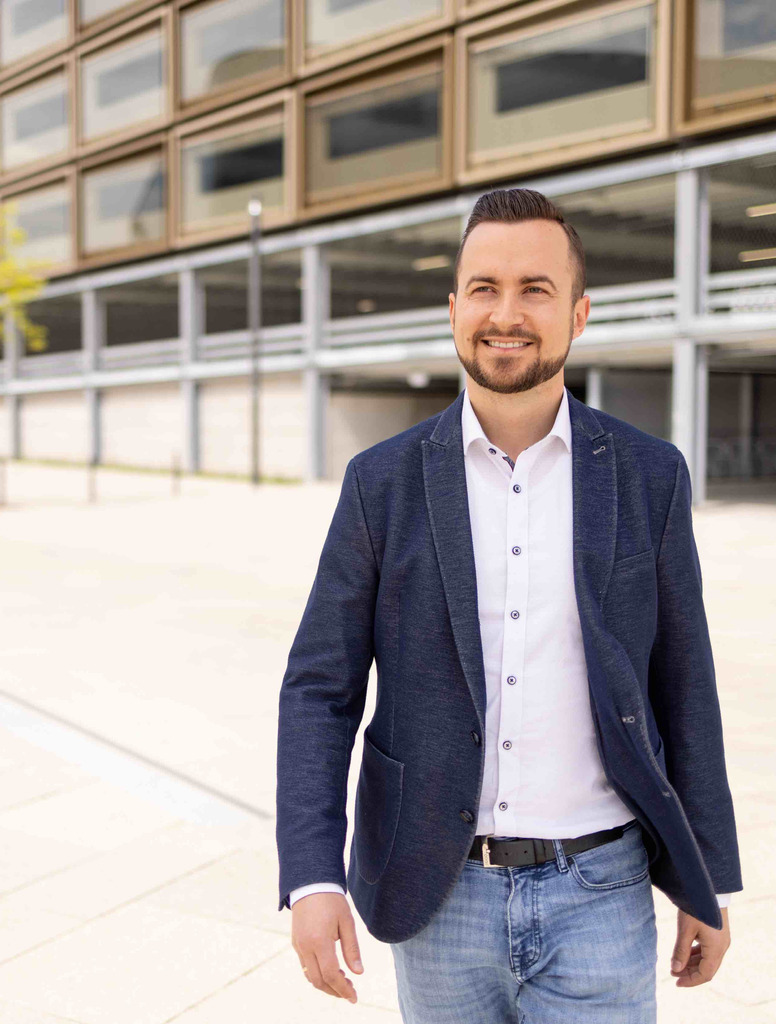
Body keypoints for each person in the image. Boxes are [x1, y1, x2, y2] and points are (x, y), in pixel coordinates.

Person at [275, 188, 741, 1023]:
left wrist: (706, 877)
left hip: (602, 890)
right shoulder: (380, 483)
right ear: (454, 307)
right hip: (439, 892)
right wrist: (313, 875)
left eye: (536, 289)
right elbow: (320, 688)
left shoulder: (649, 474)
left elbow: (683, 682)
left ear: (580, 313)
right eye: (484, 287)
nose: (507, 313)